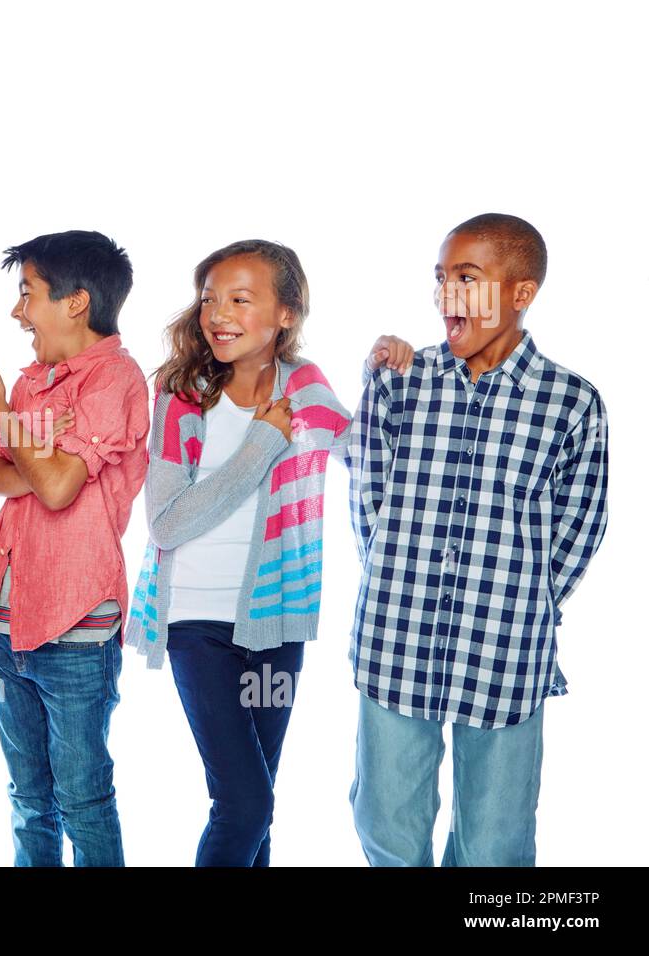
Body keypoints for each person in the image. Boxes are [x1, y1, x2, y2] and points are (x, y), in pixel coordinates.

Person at [126, 238, 411, 866]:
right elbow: (167, 525)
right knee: (244, 805)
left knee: (260, 802)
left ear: (286, 314)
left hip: (276, 620)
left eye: (239, 299)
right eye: (209, 300)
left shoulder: (305, 388)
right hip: (196, 623)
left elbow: (369, 452)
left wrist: (383, 374)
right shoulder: (183, 396)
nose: (218, 314)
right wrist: (261, 444)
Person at [348, 213, 609, 866]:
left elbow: (582, 523)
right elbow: (367, 487)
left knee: (496, 842)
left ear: (521, 294)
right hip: (397, 634)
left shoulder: (572, 402)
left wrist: (526, 597)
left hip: (504, 646)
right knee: (386, 823)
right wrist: (390, 565)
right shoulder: (400, 378)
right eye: (440, 280)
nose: (446, 296)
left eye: (467, 278)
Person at [0, 230, 149, 866]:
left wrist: (3, 415)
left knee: (83, 797)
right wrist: (28, 446)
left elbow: (59, 487)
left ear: (76, 302)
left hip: (76, 630)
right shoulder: (33, 382)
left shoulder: (115, 380)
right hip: (8, 623)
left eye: (27, 294)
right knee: (29, 796)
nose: (17, 312)